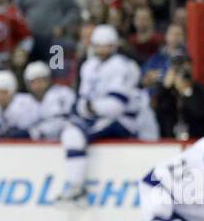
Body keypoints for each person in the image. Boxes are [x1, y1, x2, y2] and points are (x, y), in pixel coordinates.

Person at [57, 24, 157, 203]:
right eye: (98, 45)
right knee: (70, 133)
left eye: (106, 45)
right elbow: (82, 100)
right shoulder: (88, 66)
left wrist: (90, 108)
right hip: (100, 117)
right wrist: (89, 108)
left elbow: (116, 106)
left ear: (114, 45)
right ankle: (75, 187)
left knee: (78, 134)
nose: (102, 49)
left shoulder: (123, 66)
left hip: (126, 120)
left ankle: (76, 189)